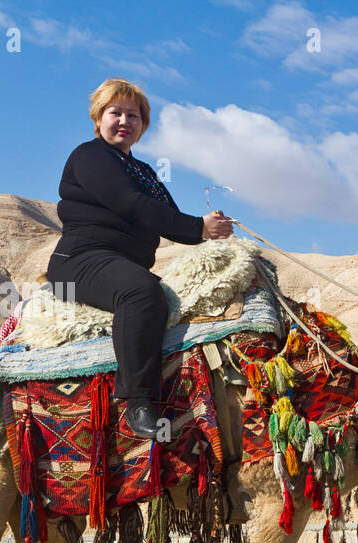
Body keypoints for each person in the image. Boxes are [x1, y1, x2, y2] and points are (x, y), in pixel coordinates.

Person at [46, 77, 233, 440]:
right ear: (98, 118)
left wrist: (212, 229)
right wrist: (199, 227)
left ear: (143, 126)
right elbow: (132, 205)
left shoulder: (144, 172)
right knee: (141, 293)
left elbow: (171, 220)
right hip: (80, 261)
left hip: (121, 265)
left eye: (133, 116)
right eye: (115, 112)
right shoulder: (90, 156)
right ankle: (137, 403)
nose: (124, 122)